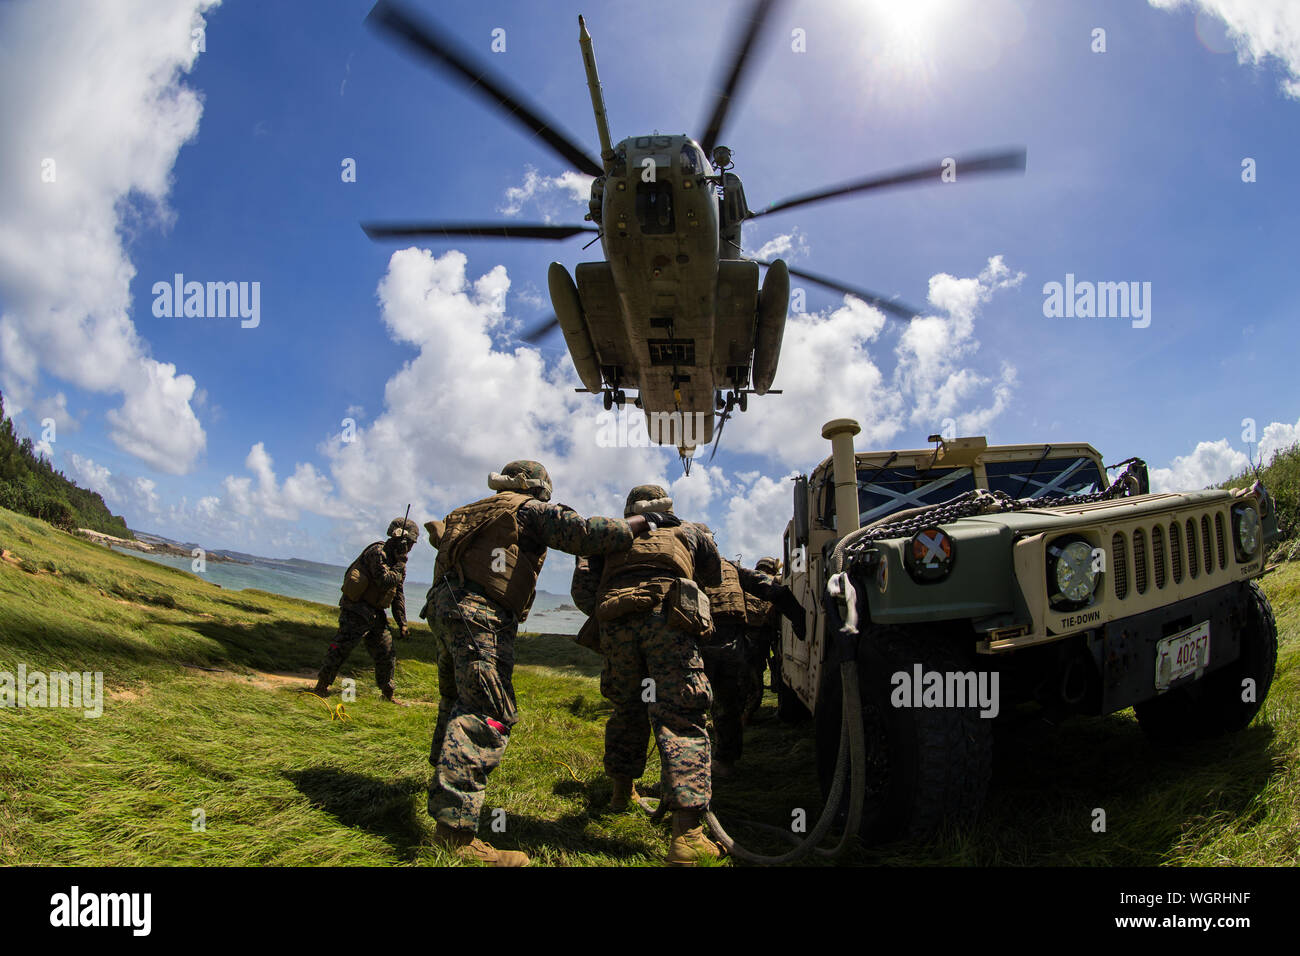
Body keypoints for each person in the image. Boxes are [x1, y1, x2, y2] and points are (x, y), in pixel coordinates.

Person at [425, 461, 676, 867]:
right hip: (479, 616)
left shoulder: (471, 509)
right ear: (539, 488)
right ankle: (454, 834)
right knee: (485, 712)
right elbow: (588, 534)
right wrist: (645, 521)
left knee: (454, 703)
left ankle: (439, 791)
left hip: (444, 608)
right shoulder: (528, 509)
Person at [570, 484, 724, 866]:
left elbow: (583, 592)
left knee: (627, 709)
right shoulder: (689, 531)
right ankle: (687, 835)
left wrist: (618, 605)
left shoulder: (609, 534)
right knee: (682, 715)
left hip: (617, 624)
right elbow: (714, 576)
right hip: (668, 620)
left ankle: (622, 794)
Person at [701, 555, 803, 774]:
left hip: (704, 639)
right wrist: (797, 614)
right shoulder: (729, 567)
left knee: (692, 704)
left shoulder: (688, 563)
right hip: (734, 640)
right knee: (729, 702)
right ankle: (724, 761)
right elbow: (770, 588)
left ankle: (688, 769)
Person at [311, 517, 418, 704]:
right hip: (356, 610)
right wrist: (400, 565)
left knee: (386, 653)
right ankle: (321, 686)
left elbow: (397, 593)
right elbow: (384, 580)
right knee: (341, 648)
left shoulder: (398, 563)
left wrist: (403, 623)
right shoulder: (377, 552)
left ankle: (388, 694)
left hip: (376, 614)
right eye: (409, 543)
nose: (410, 548)